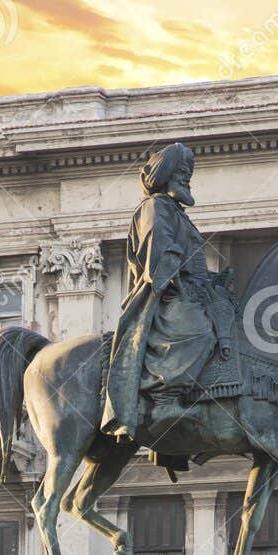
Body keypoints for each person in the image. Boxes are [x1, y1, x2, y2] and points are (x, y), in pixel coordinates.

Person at [101, 142, 234, 443]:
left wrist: (212, 281)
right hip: (165, 296)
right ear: (168, 174)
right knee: (200, 331)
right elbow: (156, 254)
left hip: (188, 290)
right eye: (183, 172)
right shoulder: (154, 207)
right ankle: (165, 400)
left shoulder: (176, 211)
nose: (188, 178)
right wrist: (176, 274)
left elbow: (190, 260)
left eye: (190, 173)